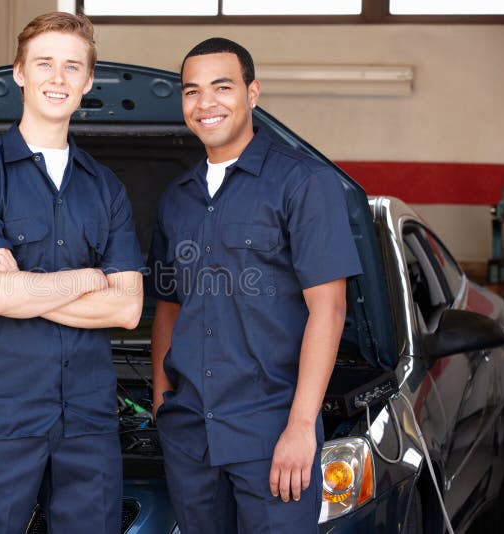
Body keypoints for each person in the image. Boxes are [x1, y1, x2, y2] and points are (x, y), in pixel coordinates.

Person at [147, 37, 362, 533]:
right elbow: (169, 307)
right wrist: (162, 403)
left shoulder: (303, 183)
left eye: (222, 87)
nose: (206, 103)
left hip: (272, 432)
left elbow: (329, 309)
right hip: (190, 435)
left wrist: (301, 426)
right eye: (192, 91)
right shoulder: (176, 199)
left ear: (252, 92)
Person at [0, 12, 144, 533]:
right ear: (19, 72)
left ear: (88, 81)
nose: (58, 78)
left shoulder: (106, 187)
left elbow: (128, 307)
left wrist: (24, 290)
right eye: (44, 63)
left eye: (72, 66)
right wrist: (89, 278)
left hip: (88, 418)